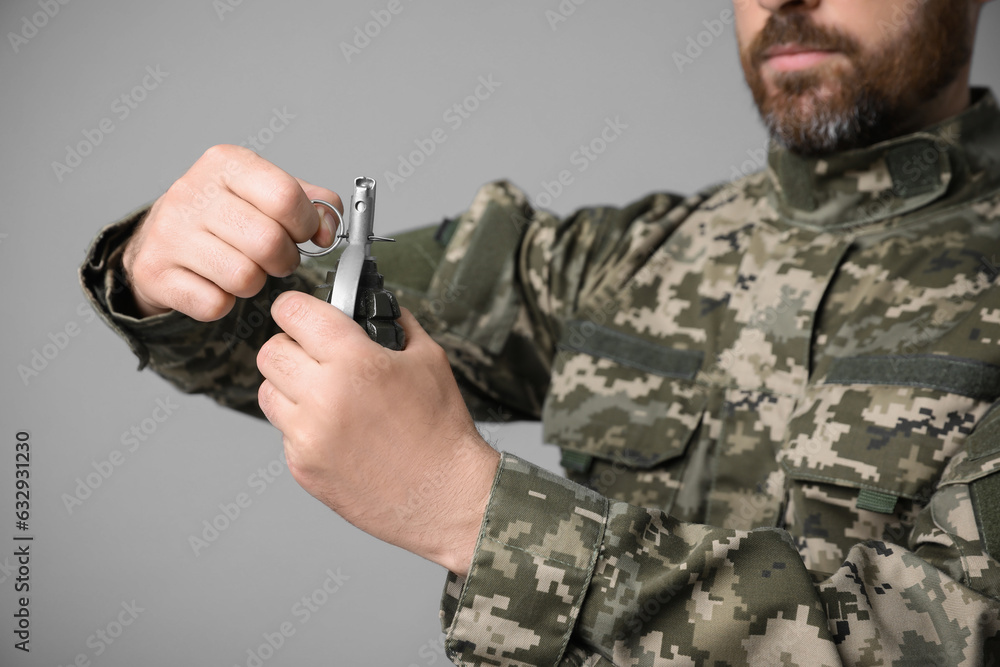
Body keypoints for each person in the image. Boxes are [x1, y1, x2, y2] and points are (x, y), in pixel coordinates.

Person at [80, 0, 1000, 664]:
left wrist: (472, 510)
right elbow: (297, 338)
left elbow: (957, 634)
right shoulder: (621, 260)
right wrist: (163, 266)